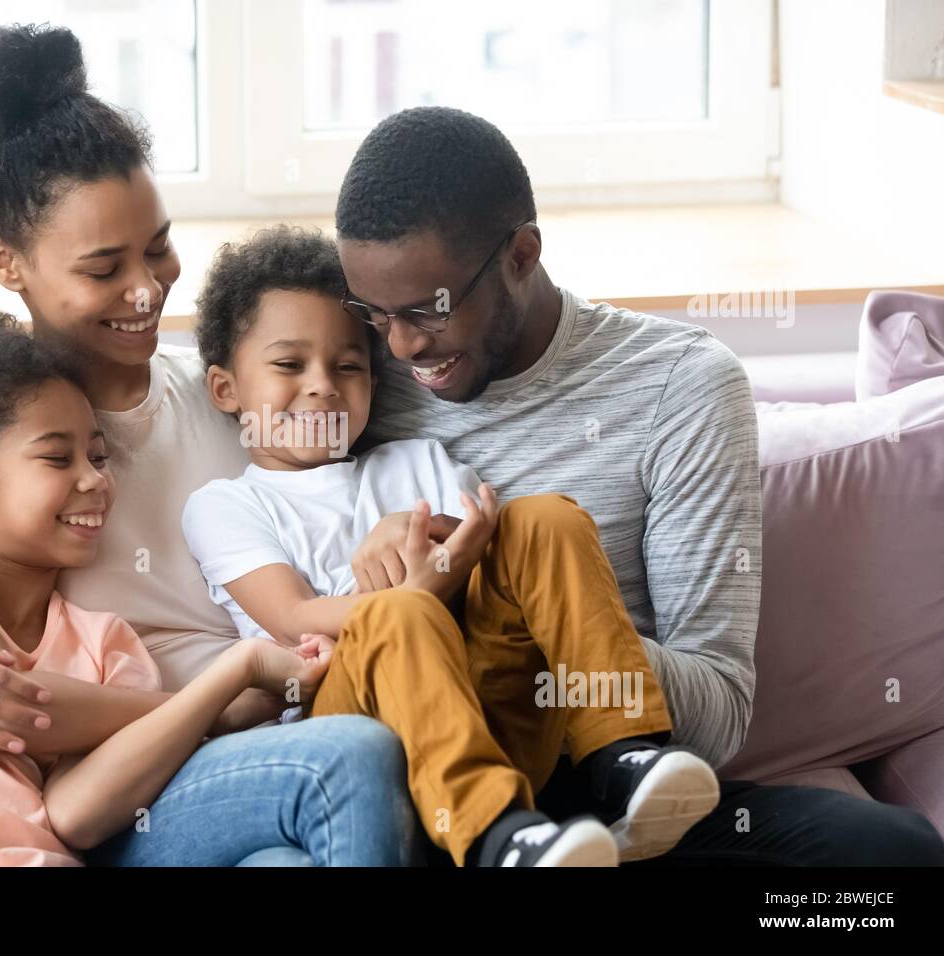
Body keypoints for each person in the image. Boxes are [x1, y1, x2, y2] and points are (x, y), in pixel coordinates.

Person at [0, 25, 417, 868]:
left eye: (159, 247)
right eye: (104, 269)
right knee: (348, 763)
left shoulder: (226, 392)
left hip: (268, 729)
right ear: (6, 260)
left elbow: (364, 449)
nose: (146, 289)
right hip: (119, 783)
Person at [329, 105, 944, 865]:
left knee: (886, 857)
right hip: (423, 787)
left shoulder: (679, 385)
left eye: (428, 311)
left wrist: (551, 622)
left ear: (522, 254)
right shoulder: (347, 374)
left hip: (614, 786)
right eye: (376, 313)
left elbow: (718, 713)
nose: (402, 345)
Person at [181, 226, 722, 867]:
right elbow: (294, 617)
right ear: (225, 390)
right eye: (289, 365)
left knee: (543, 519)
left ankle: (620, 752)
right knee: (400, 612)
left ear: (375, 385)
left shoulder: (417, 460)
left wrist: (438, 560)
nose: (323, 384)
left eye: (348, 365)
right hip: (356, 728)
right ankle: (498, 834)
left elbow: (488, 554)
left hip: (488, 703)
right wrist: (414, 591)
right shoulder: (226, 504)